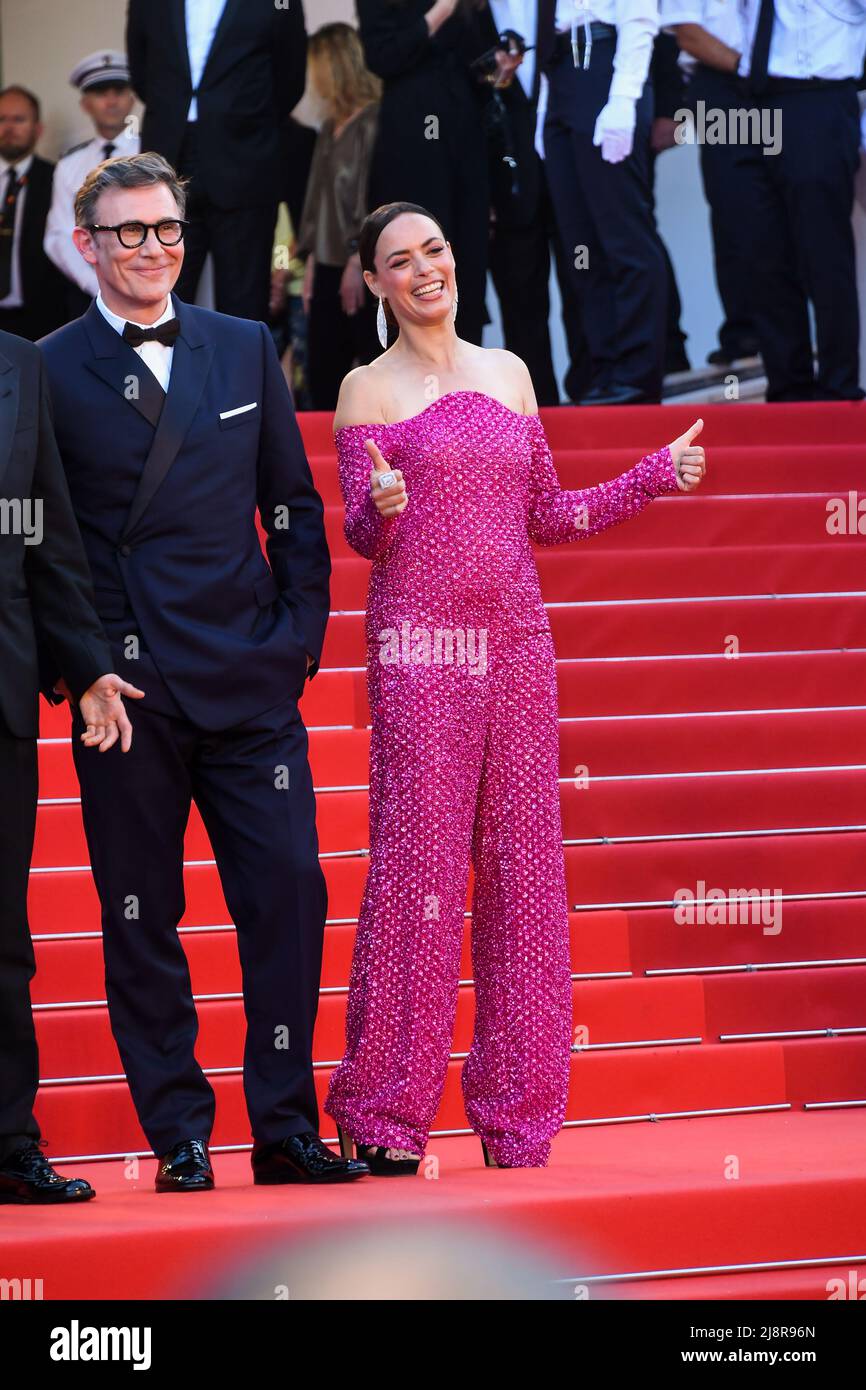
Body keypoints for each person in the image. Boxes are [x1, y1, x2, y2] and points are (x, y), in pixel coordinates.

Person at [324, 201, 707, 1172]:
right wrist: (380, 507)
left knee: (524, 879)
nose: (423, 271)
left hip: (518, 650)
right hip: (418, 654)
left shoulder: (510, 372)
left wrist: (653, 473)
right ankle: (380, 1117)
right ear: (372, 283)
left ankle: (517, 1117)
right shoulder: (364, 390)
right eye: (398, 261)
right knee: (416, 876)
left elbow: (551, 514)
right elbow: (361, 535)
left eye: (434, 251)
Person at [38, 152, 368, 1191]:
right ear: (86, 245)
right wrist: (85, 667)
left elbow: (291, 510)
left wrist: (298, 643)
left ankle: (285, 1127)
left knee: (289, 897)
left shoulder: (242, 344)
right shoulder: (44, 367)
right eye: (127, 232)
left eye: (166, 228)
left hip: (248, 680)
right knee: (141, 916)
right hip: (126, 696)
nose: (151, 248)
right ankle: (177, 1131)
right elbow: (43, 542)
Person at [0, 329, 141, 1204]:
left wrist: (85, 666)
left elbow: (46, 531)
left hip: (3, 687)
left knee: (3, 940)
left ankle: (9, 1138)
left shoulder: (19, 365)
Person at [125, 0, 308, 321]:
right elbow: (142, 71)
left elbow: (290, 76)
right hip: (168, 158)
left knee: (244, 300)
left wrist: (243, 119)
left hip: (245, 159)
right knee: (159, 293)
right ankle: (160, 372)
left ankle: (239, 373)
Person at [357, 0, 518, 347]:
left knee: (466, 264)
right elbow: (383, 57)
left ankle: (467, 377)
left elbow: (479, 72)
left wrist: (497, 66)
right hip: (411, 146)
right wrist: (442, 8)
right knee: (412, 253)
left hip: (467, 145)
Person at [734, 0, 866, 400]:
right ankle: (788, 385)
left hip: (820, 96)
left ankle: (839, 384)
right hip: (746, 99)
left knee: (823, 249)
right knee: (762, 251)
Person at [538, 1, 668, 404]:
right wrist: (545, 110)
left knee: (624, 234)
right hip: (560, 73)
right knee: (581, 243)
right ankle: (606, 365)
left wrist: (624, 99)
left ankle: (638, 369)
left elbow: (641, 18)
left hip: (604, 69)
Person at [662, 1, 760, 368]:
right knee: (733, 208)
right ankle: (746, 331)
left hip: (790, 86)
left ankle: (787, 330)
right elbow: (686, 32)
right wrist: (752, 66)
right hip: (722, 84)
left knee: (791, 207)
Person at [295, 23, 382, 410]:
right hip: (326, 261)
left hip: (360, 261)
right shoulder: (329, 126)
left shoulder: (374, 120)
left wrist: (355, 257)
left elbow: (369, 195)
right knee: (321, 370)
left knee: (369, 356)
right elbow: (315, 198)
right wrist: (311, 257)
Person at [44, 51, 141, 320]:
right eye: (100, 93)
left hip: (146, 285)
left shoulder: (153, 154)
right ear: (85, 104)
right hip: (87, 294)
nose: (111, 101)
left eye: (119, 91)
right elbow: (59, 235)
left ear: (132, 99)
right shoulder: (69, 164)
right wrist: (96, 286)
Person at [0, 86, 68, 341]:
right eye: (2, 119)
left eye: (19, 119)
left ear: (37, 128)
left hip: (42, 319)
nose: (9, 127)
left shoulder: (57, 177)